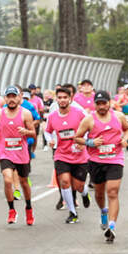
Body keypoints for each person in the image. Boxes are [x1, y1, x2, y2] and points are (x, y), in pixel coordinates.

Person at [84, 89, 128, 243]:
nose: (101, 106)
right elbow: (77, 137)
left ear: (109, 103)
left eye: (104, 103)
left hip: (115, 160)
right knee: (99, 194)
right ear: (95, 105)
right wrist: (90, 142)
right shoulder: (89, 120)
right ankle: (103, 212)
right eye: (98, 103)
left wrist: (125, 139)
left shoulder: (118, 116)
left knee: (112, 192)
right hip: (96, 161)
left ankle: (111, 226)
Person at [46, 85, 95, 224]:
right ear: (56, 99)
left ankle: (84, 193)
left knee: (77, 186)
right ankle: (73, 212)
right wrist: (50, 140)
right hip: (61, 154)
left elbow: (90, 126)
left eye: (65, 97)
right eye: (59, 98)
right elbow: (47, 131)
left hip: (79, 155)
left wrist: (84, 141)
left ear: (70, 99)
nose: (62, 100)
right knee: (65, 182)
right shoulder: (52, 116)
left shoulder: (79, 113)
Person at [0, 85, 38, 225]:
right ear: (5, 98)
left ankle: (28, 208)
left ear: (19, 97)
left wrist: (26, 132)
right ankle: (12, 210)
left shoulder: (25, 113)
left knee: (24, 182)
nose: (11, 99)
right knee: (8, 180)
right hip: (5, 152)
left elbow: (33, 132)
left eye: (14, 96)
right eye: (9, 96)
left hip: (21, 153)